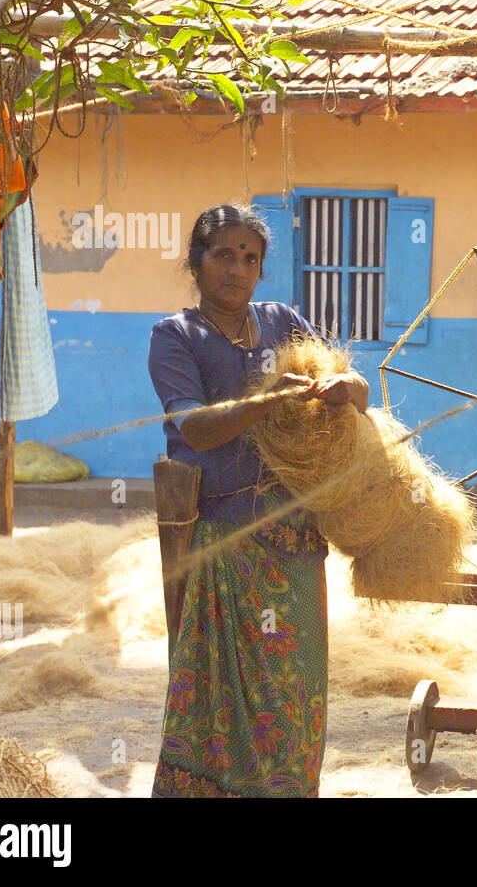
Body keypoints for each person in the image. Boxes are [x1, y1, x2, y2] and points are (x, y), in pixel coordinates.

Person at [147, 204, 368, 797]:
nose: (237, 269)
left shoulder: (282, 322)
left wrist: (350, 387)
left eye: (250, 258)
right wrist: (265, 403)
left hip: (295, 542)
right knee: (217, 697)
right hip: (223, 543)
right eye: (223, 255)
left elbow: (356, 384)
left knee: (293, 689)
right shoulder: (176, 336)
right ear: (196, 262)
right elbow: (192, 426)